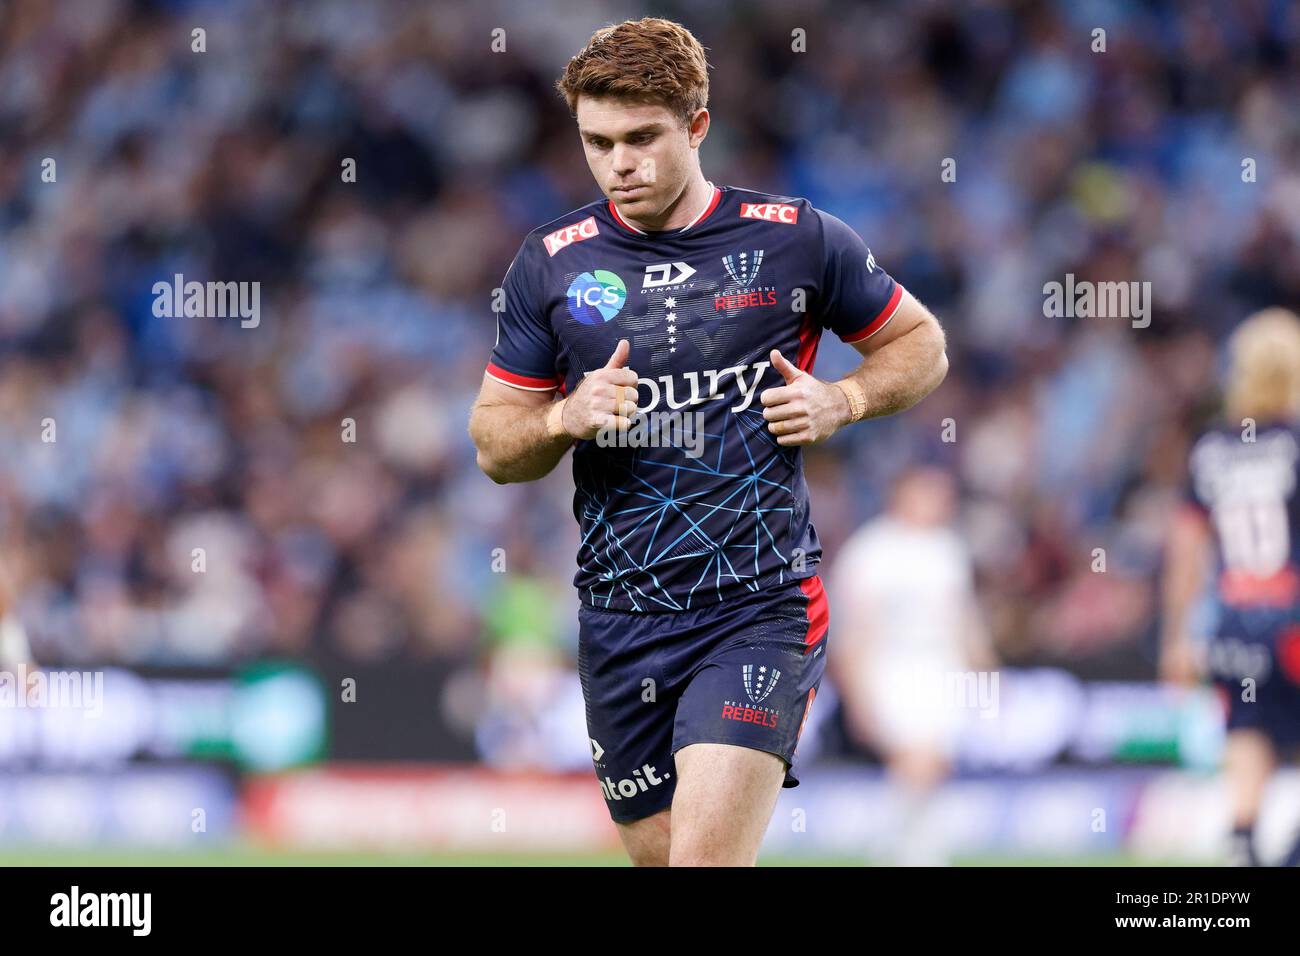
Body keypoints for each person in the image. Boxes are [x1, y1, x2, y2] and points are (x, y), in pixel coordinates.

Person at [468, 17, 948, 866]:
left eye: (643, 138)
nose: (621, 163)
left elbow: (921, 346)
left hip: (757, 605)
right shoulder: (550, 263)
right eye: (598, 142)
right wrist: (562, 418)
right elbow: (494, 445)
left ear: (696, 126)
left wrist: (844, 398)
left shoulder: (796, 238)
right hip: (620, 617)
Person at [1161, 307, 1300, 866]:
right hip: (1292, 613)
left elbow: (1187, 551)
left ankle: (1243, 840)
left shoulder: (1211, 447)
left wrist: (1177, 635)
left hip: (1234, 619)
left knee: (1248, 728)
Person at [828, 466, 994, 865]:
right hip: (890, 669)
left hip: (941, 669)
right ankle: (903, 849)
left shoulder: (947, 549)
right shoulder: (871, 551)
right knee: (915, 759)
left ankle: (911, 846)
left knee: (933, 762)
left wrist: (987, 670)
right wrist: (857, 695)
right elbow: (853, 630)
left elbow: (963, 619)